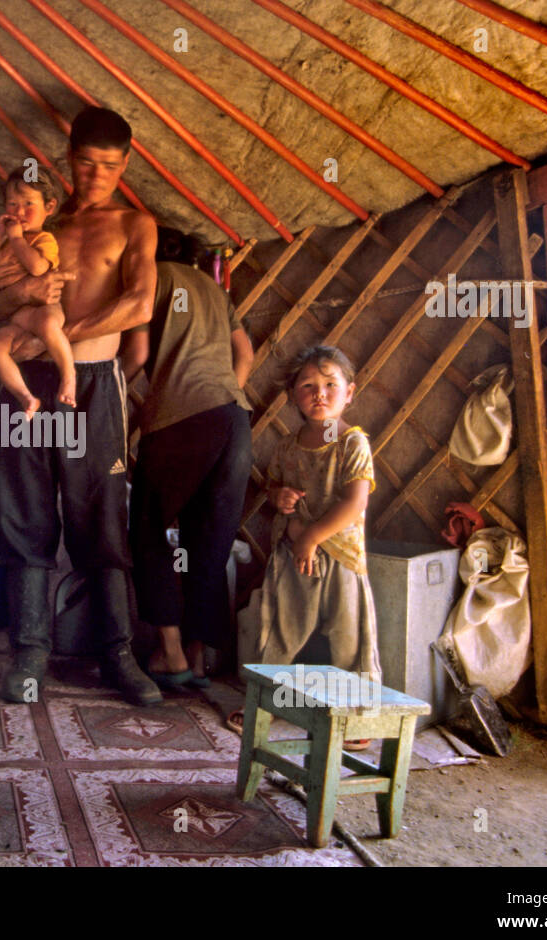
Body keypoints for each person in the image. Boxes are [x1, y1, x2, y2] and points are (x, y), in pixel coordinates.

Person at [0, 106, 160, 707]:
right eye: (85, 162)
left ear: (126, 163)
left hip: (91, 385)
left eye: (110, 165)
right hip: (24, 384)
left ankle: (118, 655)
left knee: (102, 512)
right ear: (68, 159)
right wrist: (27, 297)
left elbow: (138, 306)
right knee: (22, 509)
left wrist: (60, 334)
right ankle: (29, 652)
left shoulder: (135, 224)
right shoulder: (30, 223)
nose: (96, 174)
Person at [128, 230, 255, 690]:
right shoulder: (215, 292)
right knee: (210, 545)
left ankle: (171, 652)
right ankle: (201, 658)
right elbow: (246, 353)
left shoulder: (149, 279)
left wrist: (109, 387)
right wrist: (226, 394)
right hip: (234, 420)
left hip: (178, 422)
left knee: (148, 530)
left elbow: (138, 354)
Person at [253, 345, 381, 748]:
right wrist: (279, 499)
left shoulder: (352, 444)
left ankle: (358, 717)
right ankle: (264, 704)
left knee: (351, 639)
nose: (319, 394)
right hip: (294, 556)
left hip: (341, 558)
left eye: (330, 384)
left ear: (350, 392)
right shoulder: (288, 446)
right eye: (307, 385)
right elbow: (272, 487)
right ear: (293, 394)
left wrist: (311, 536)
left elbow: (354, 502)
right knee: (279, 629)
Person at [0, 171, 75, 415]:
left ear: (49, 207)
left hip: (42, 308)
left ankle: (69, 375)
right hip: (18, 315)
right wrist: (1, 234)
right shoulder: (5, 240)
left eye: (29, 204)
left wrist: (18, 239)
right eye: (13, 204)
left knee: (49, 324)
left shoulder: (44, 238)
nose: (19, 211)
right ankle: (27, 397)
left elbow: (38, 267)